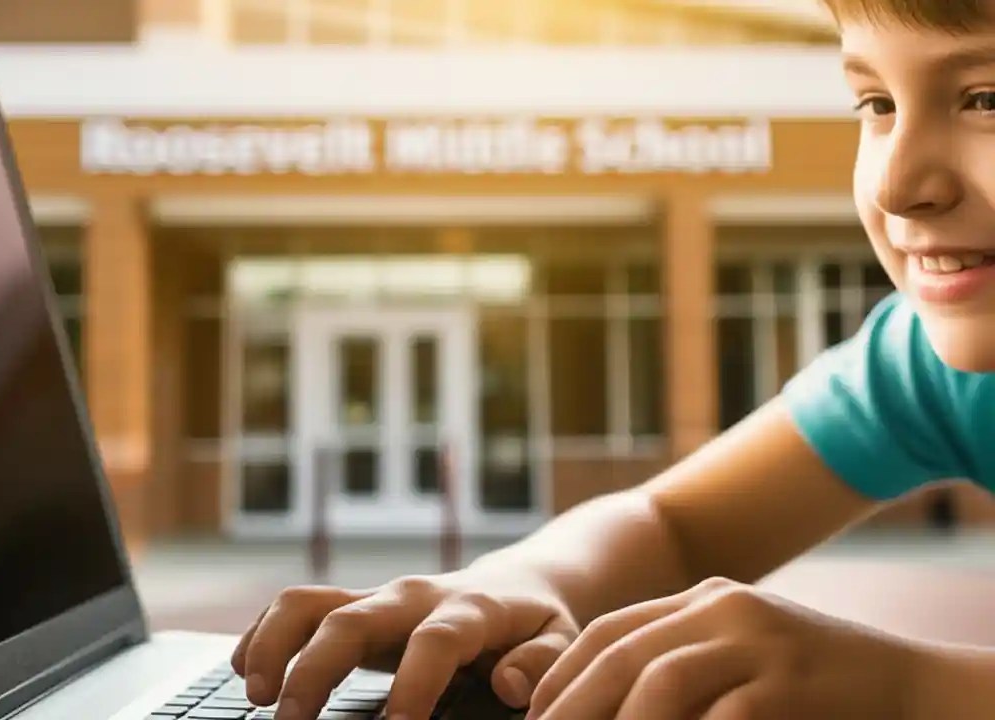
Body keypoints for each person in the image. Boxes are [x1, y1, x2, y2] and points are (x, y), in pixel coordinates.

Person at [230, 1, 995, 717]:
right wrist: (524, 583)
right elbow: (674, 526)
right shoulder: (932, 370)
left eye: (984, 98)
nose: (897, 185)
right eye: (876, 104)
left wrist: (909, 689)